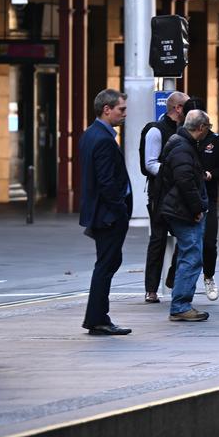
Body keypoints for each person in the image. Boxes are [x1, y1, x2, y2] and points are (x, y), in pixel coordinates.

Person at [78, 89, 133, 336]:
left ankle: (97, 317)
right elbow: (106, 182)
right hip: (108, 215)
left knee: (108, 263)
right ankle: (98, 319)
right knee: (106, 265)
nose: (124, 114)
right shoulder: (102, 139)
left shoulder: (91, 134)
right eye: (121, 109)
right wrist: (120, 209)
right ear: (106, 109)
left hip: (102, 213)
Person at [164, 99, 219, 301]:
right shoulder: (181, 142)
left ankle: (207, 276)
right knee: (187, 243)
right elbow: (180, 177)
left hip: (207, 198)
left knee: (208, 242)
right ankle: (178, 289)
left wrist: (211, 175)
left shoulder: (216, 141)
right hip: (187, 200)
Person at [157, 110, 212, 322]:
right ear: (201, 127)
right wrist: (197, 208)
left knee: (188, 255)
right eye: (208, 127)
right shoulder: (183, 147)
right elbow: (185, 182)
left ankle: (180, 303)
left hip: (179, 208)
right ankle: (180, 305)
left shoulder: (181, 143)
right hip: (183, 211)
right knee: (191, 256)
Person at [141, 91, 188, 303]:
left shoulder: (185, 130)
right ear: (178, 108)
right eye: (186, 106)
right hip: (160, 193)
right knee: (158, 239)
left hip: (179, 191)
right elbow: (150, 164)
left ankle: (172, 276)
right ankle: (151, 289)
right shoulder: (156, 131)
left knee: (187, 236)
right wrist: (175, 172)